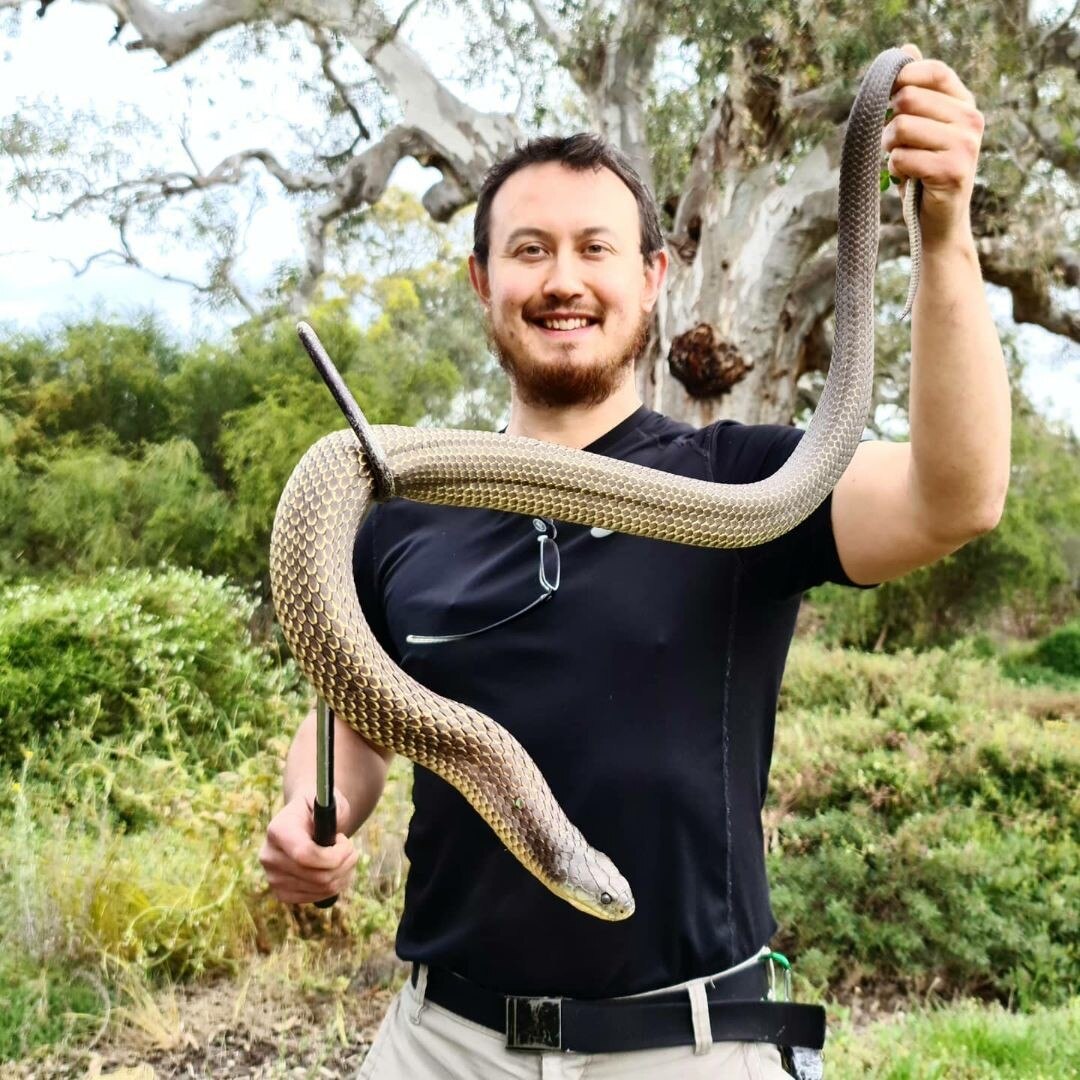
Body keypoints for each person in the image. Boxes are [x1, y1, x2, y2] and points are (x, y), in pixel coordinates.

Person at [260, 43, 1009, 1079]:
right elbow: (353, 733)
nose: (562, 279)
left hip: (688, 1049)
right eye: (529, 250)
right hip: (443, 1045)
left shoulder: (743, 483)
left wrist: (942, 235)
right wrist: (307, 815)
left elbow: (957, 496)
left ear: (652, 278)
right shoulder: (396, 510)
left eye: (594, 248)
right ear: (483, 281)